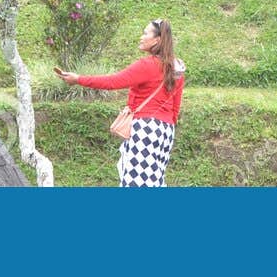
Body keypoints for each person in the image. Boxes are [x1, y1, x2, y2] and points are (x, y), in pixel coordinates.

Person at [55, 19, 184, 187]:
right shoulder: (177, 68)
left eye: (145, 33)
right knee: (155, 181)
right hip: (166, 131)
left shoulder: (147, 65)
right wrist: (166, 125)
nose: (141, 37)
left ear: (157, 40)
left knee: (135, 182)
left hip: (145, 129)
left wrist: (78, 79)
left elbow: (113, 82)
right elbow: (175, 107)